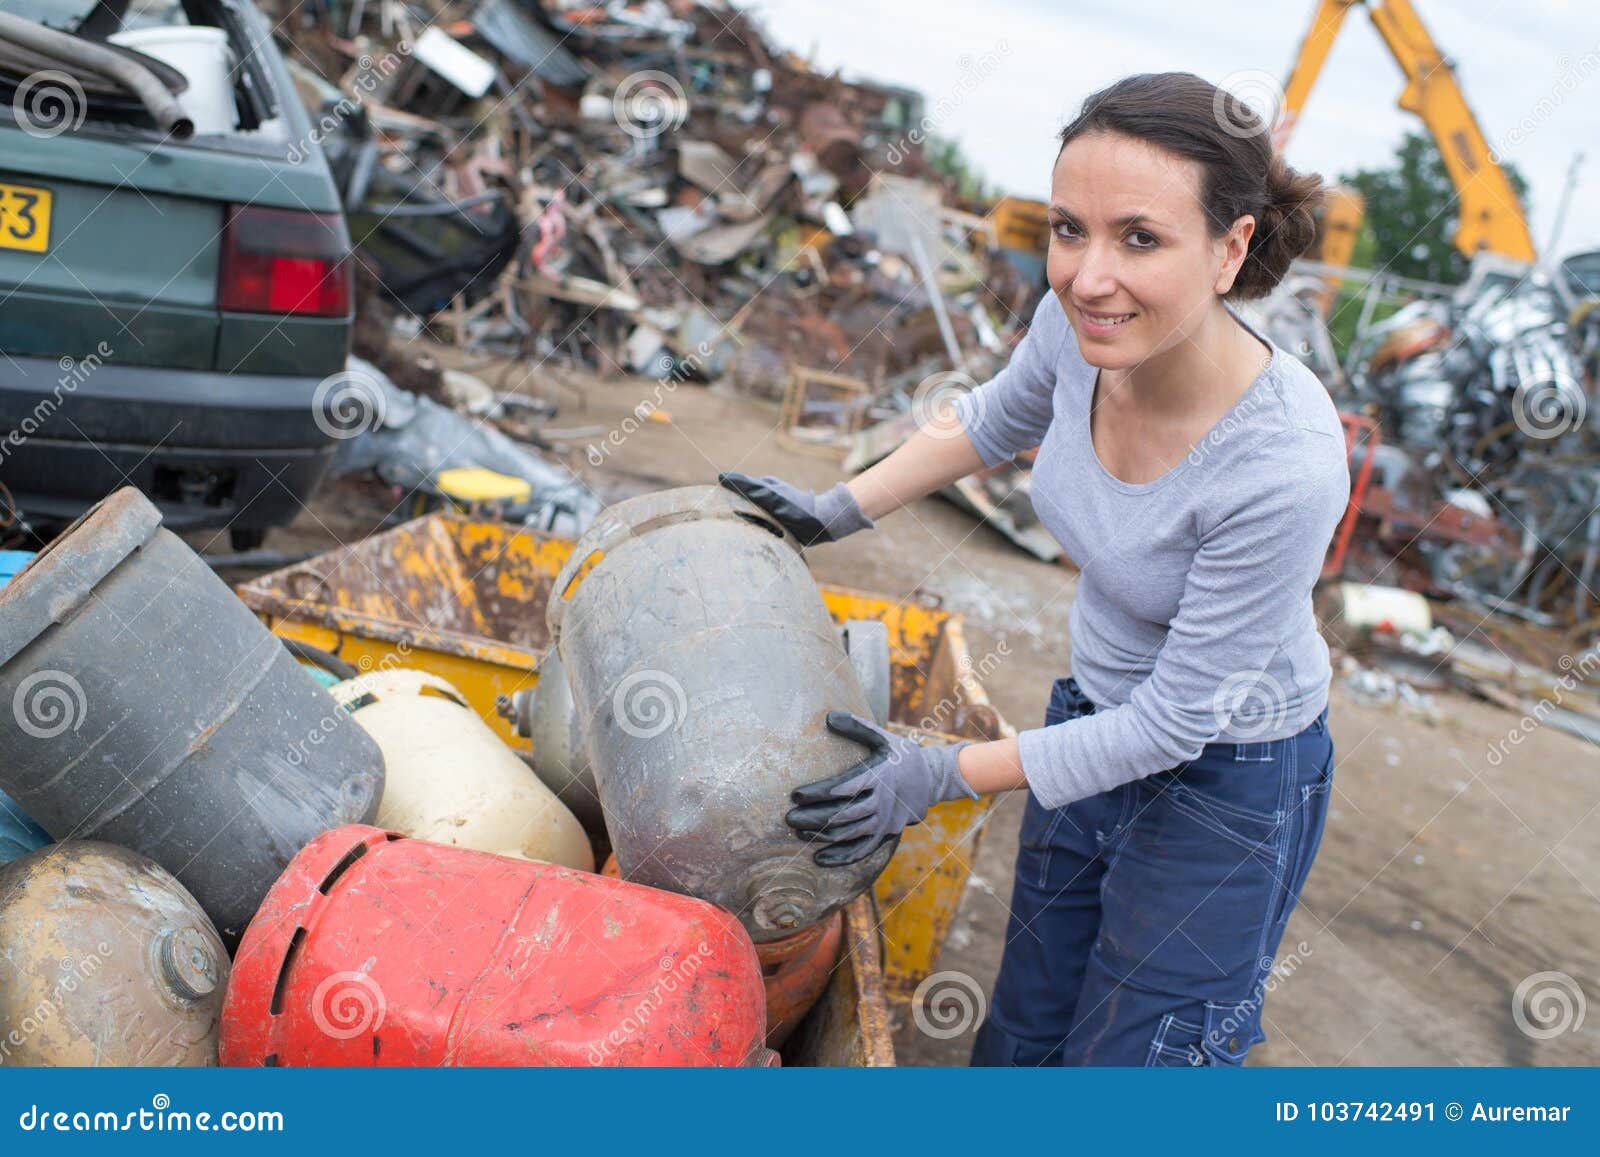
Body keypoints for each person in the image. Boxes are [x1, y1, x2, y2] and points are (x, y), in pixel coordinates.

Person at [718, 72, 1350, 1067]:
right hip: (1087, 720)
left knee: (1142, 1063)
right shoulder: (1081, 325)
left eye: (1140, 238)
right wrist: (836, 507)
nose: (1089, 275)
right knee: (1025, 1028)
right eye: (1068, 230)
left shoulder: (1283, 464)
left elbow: (1174, 723)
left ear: (1230, 248)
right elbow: (994, 416)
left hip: (1226, 778)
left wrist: (940, 772)